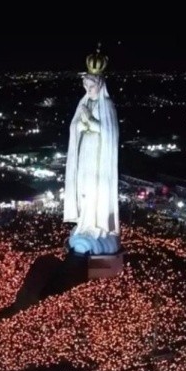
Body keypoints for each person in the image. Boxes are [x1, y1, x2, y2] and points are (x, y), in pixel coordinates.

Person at [63, 47, 120, 255]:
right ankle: (85, 222)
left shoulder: (108, 105)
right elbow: (75, 127)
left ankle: (97, 225)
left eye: (91, 85)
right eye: (86, 85)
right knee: (84, 187)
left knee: (95, 187)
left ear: (100, 85)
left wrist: (90, 121)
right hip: (85, 149)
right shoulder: (84, 103)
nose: (88, 88)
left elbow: (109, 132)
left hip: (99, 154)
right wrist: (83, 123)